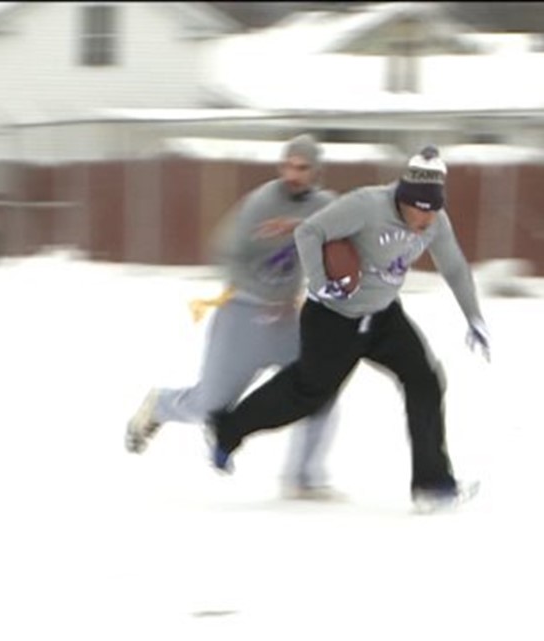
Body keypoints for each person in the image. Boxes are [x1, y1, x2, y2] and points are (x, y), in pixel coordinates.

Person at [207, 145, 492, 512]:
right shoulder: (367, 206)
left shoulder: (436, 220)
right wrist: (321, 280)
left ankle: (433, 486)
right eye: (416, 212)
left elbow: (453, 266)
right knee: (308, 394)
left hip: (383, 316)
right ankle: (226, 430)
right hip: (333, 319)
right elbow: (309, 232)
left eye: (431, 212)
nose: (423, 222)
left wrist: (474, 316)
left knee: (425, 379)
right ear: (403, 199)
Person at [126, 134, 345, 500]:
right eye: (287, 165)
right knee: (210, 404)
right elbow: (226, 255)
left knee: (318, 391)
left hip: (287, 321)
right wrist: (270, 294)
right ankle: (160, 405)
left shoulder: (326, 206)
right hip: (242, 314)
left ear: (316, 171)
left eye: (302, 167)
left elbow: (346, 236)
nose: (293, 173)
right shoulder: (261, 203)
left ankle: (303, 478)